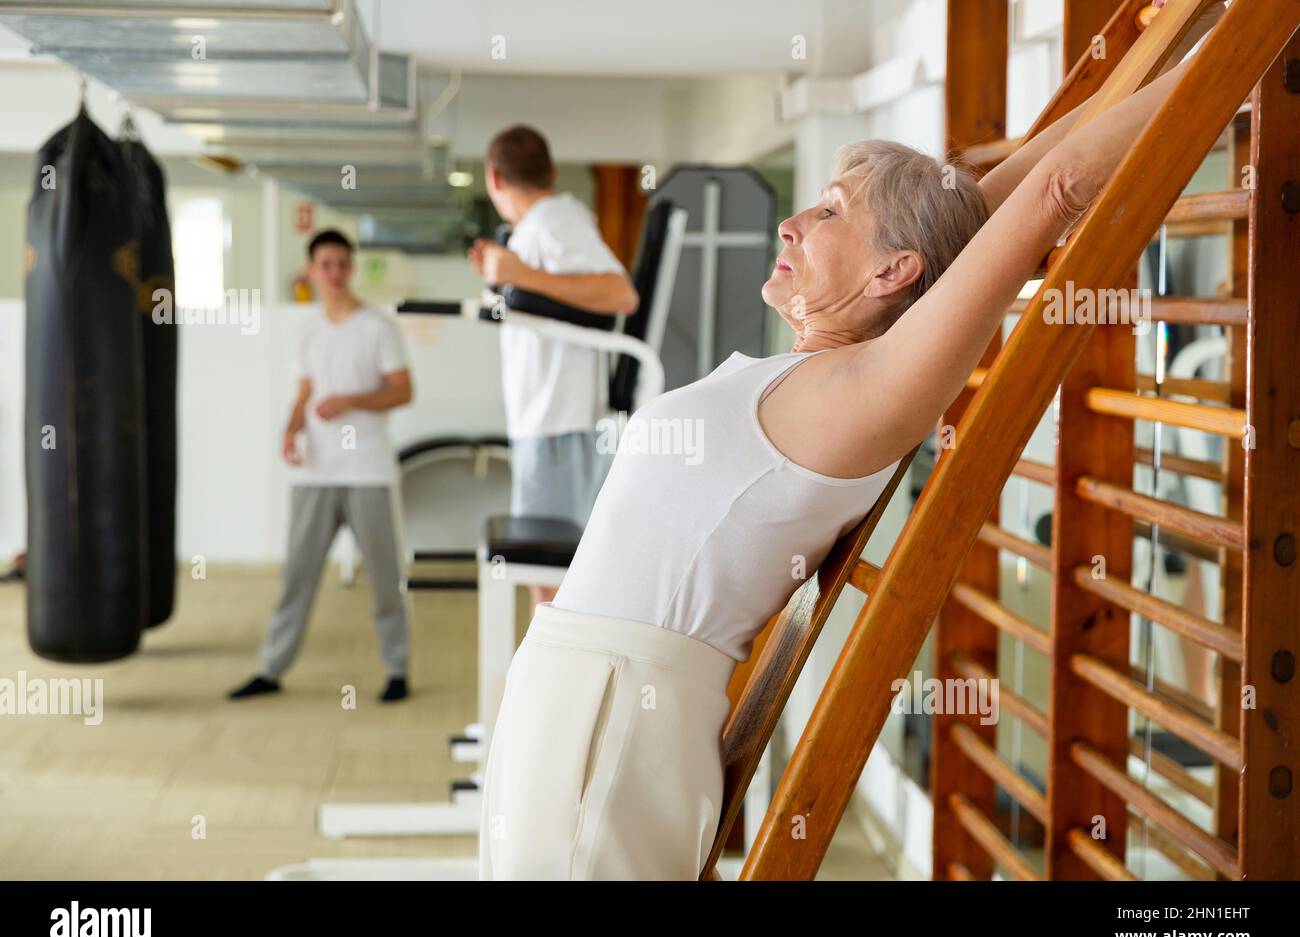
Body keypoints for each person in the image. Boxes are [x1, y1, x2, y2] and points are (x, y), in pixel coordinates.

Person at [477, 6, 1224, 879]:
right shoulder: (820, 370)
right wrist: (1176, 37)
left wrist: (1243, 49)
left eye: (830, 210)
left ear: (891, 274)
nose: (793, 222)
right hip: (574, 702)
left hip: (609, 728)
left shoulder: (859, 392)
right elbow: (1000, 195)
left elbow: (1057, 188)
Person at [229, 229, 414, 703]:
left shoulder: (377, 326)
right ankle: (271, 668)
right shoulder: (307, 329)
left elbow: (402, 389)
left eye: (340, 264)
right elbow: (306, 392)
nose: (333, 273)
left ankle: (397, 669)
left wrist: (352, 400)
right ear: (311, 271)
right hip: (315, 471)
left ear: (350, 268)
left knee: (384, 577)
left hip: (367, 471)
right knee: (297, 577)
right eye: (324, 264)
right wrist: (291, 429)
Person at [469, 125, 639, 611]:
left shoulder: (555, 219)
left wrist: (519, 274)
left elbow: (619, 294)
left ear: (494, 178)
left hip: (558, 424)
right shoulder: (536, 228)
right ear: (551, 169)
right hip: (542, 422)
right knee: (545, 582)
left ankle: (561, 685)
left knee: (556, 581)